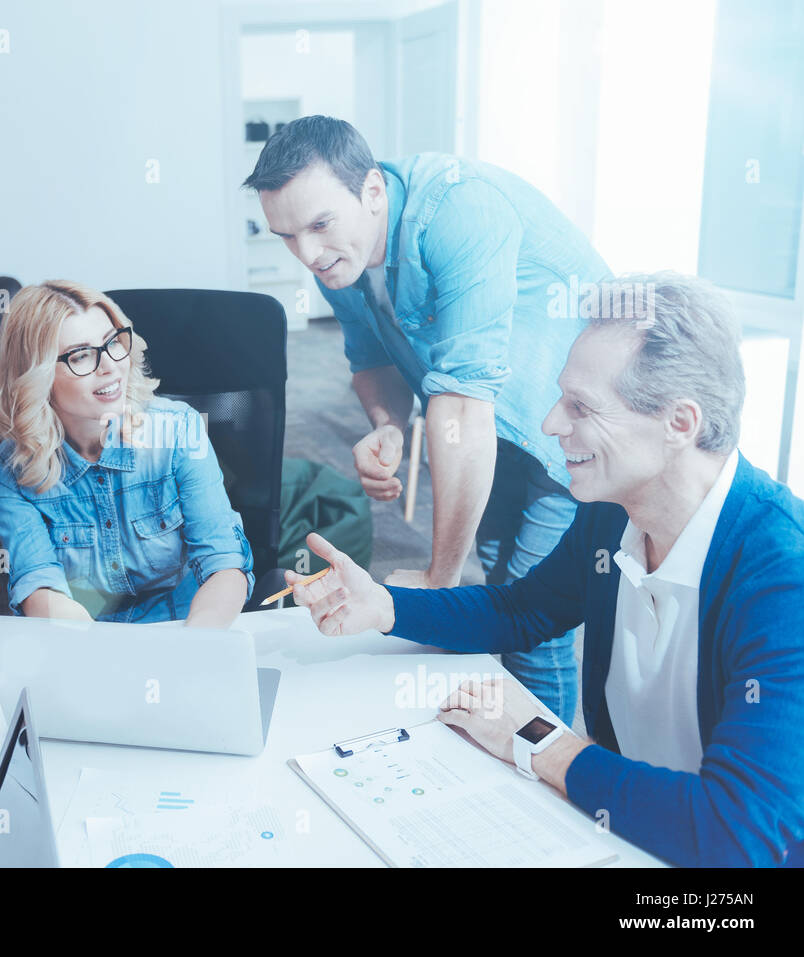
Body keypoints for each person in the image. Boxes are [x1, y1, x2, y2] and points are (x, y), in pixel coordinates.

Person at [285, 272, 804, 866]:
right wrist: (385, 605)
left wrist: (538, 740)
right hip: (630, 833)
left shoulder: (784, 578)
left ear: (679, 424)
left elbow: (738, 834)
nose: (552, 424)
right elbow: (524, 609)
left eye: (581, 407)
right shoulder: (617, 512)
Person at [244, 116, 614, 725]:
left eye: (318, 225)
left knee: (532, 621)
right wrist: (387, 423)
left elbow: (462, 406)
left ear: (370, 191)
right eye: (287, 235)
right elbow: (371, 359)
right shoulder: (342, 255)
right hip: (494, 440)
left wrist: (441, 577)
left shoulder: (461, 210)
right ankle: (515, 748)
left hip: (569, 440)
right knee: (501, 594)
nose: (307, 254)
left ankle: (549, 776)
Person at [0, 280, 253, 627]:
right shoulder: (11, 471)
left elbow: (224, 563)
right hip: (89, 638)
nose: (110, 365)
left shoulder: (177, 430)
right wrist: (105, 662)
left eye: (113, 343)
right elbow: (39, 586)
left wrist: (194, 647)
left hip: (186, 625)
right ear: (37, 375)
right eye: (81, 355)